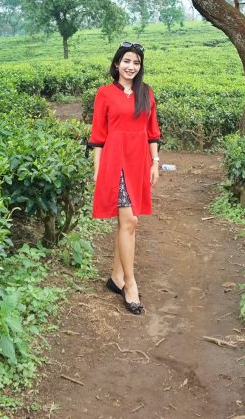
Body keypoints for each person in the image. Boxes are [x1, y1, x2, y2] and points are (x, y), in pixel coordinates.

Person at [88, 41, 161, 315]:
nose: (132, 67)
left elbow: (153, 131)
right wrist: (97, 171)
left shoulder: (146, 93)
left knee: (131, 222)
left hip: (139, 161)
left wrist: (155, 162)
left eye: (137, 63)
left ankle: (115, 277)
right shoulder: (105, 94)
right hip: (115, 162)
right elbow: (97, 136)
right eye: (127, 61)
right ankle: (130, 284)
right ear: (117, 64)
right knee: (129, 221)